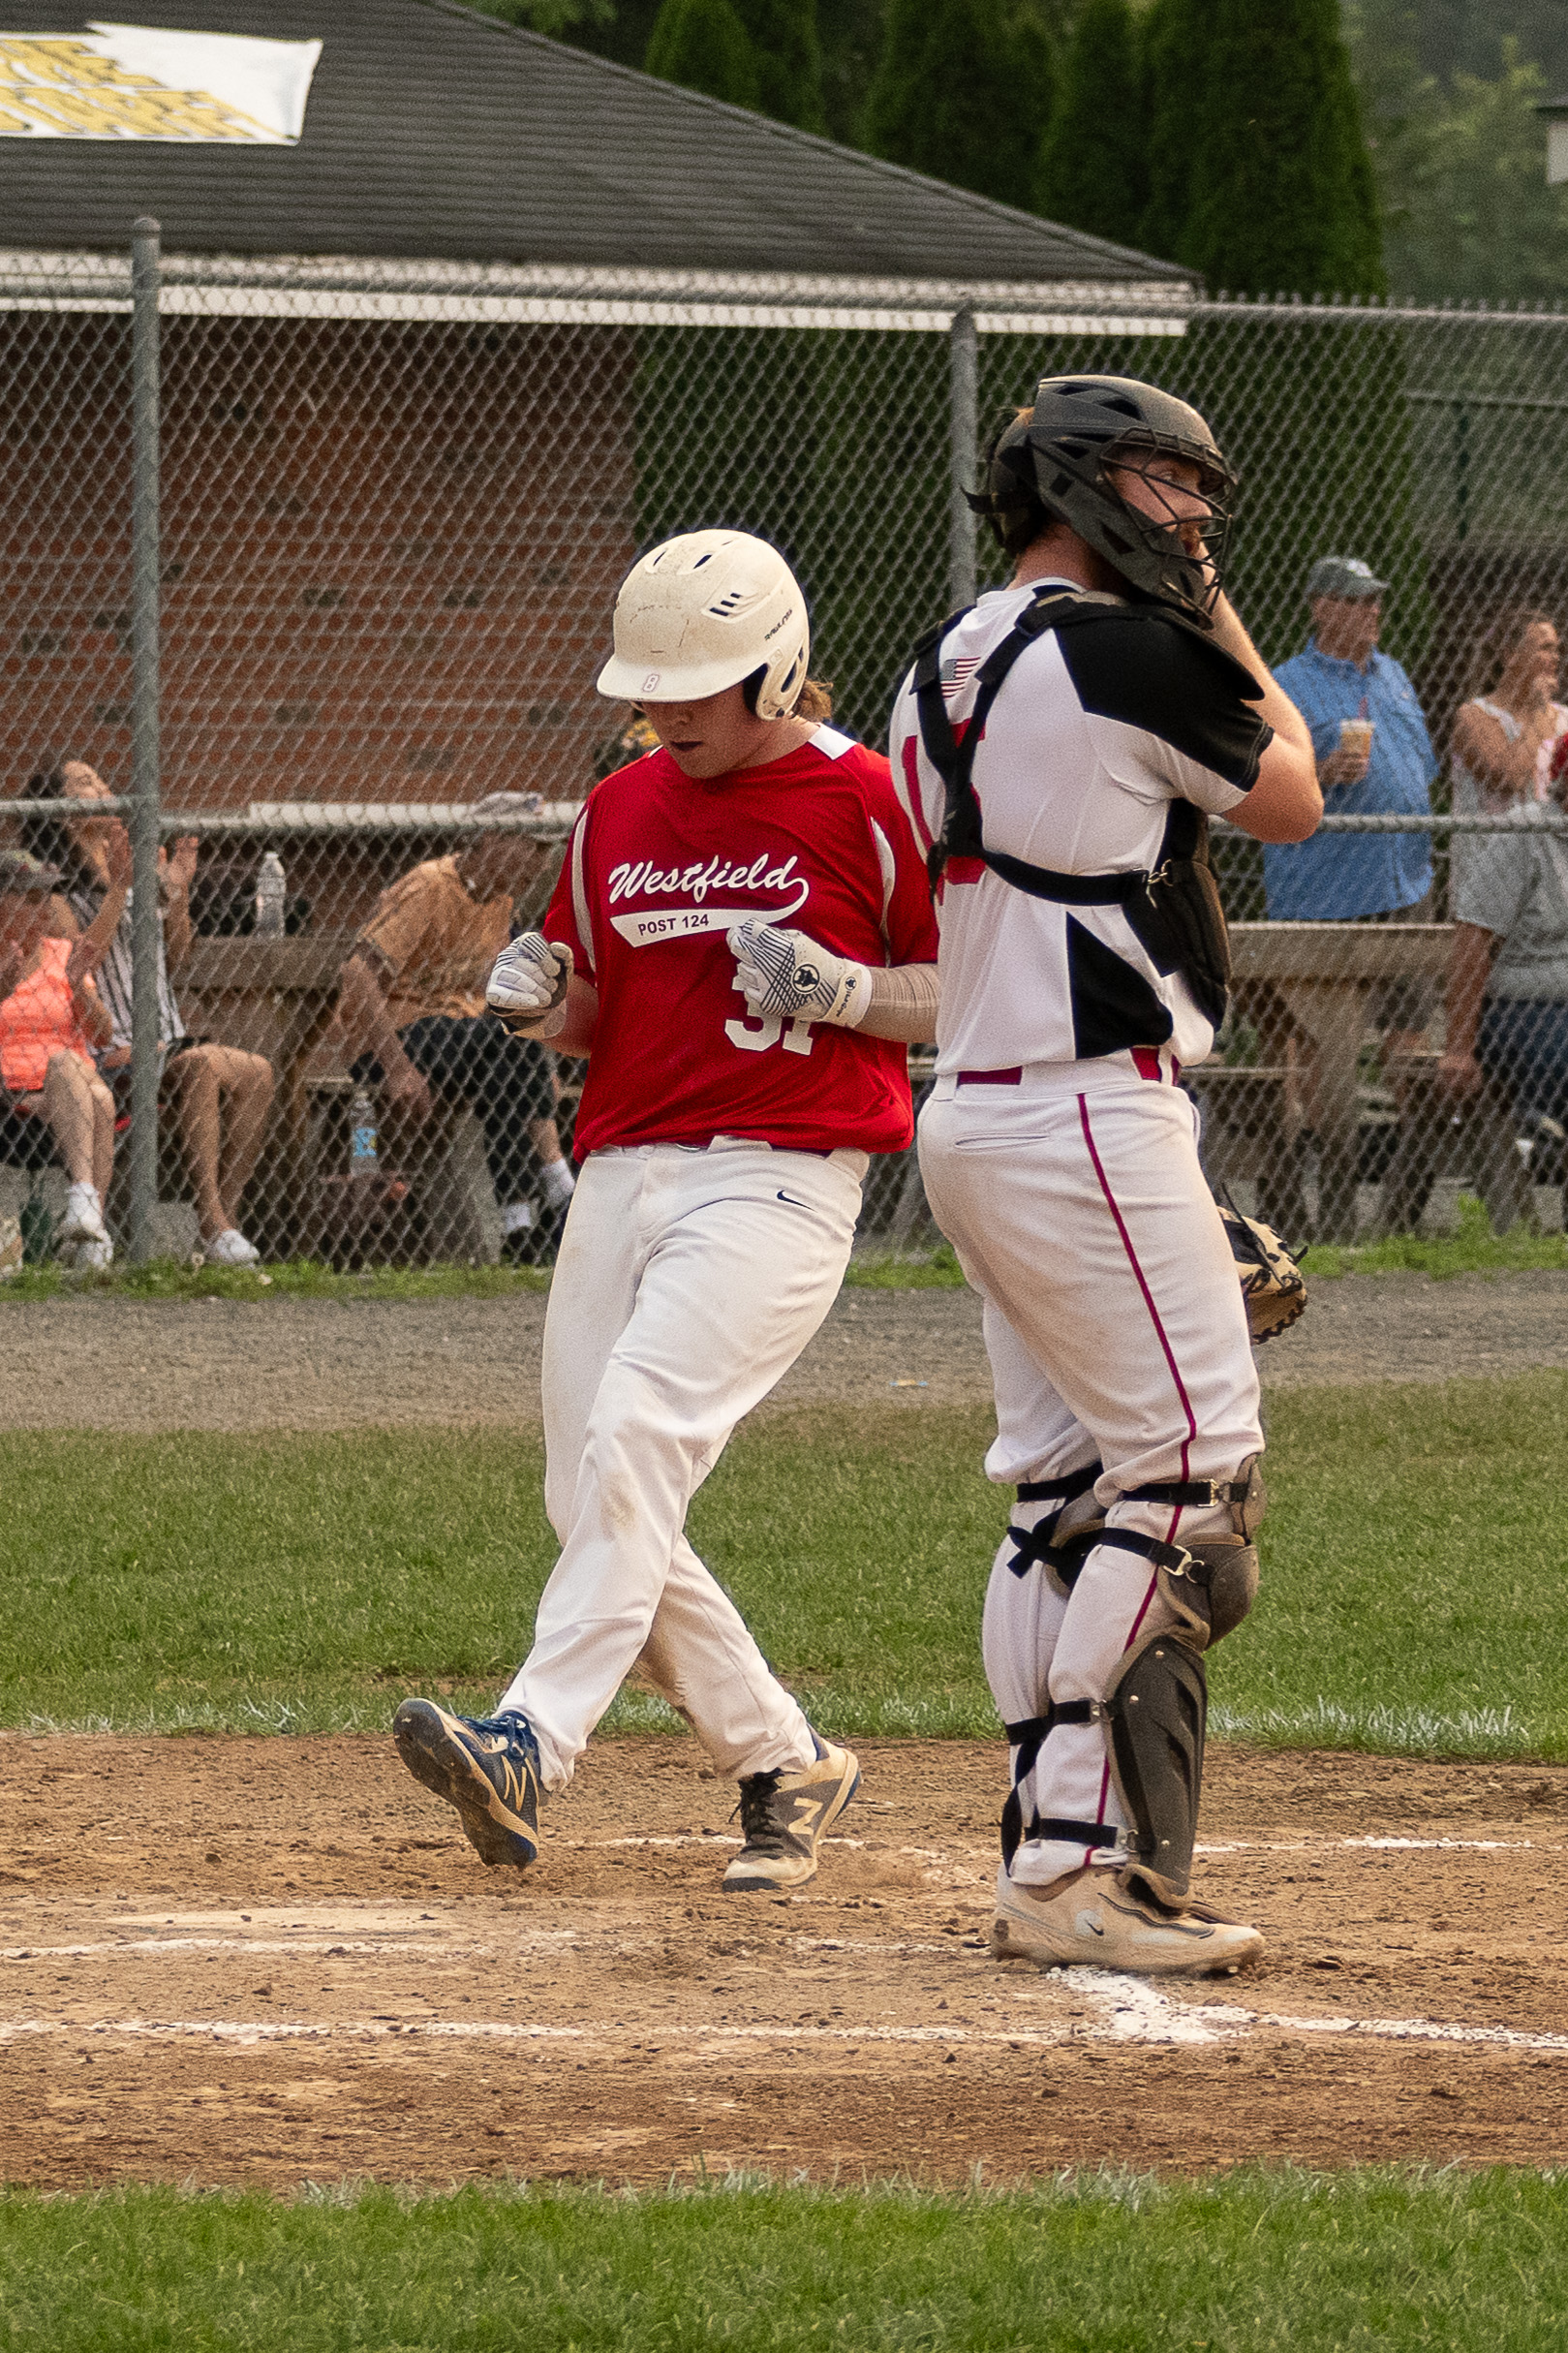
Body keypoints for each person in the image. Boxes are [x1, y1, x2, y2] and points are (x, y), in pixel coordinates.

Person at [391, 529, 940, 1894]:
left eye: (695, 685)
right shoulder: (617, 809)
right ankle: (780, 1757)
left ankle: (528, 1741)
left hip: (781, 1169)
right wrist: (535, 1003)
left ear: (778, 670)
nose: (664, 711)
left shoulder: (865, 797)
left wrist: (847, 992)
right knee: (585, 1484)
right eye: (650, 687)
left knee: (637, 1430)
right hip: (622, 1170)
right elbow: (592, 1014)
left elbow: (966, 988)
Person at [887, 376, 1320, 1976]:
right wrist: (1208, 605)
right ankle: (1069, 1867)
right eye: (1162, 484)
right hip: (1085, 1111)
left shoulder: (935, 658)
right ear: (1083, 482)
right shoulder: (1125, 647)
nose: (1190, 515)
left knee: (1062, 1490)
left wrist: (1182, 582)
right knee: (1189, 1480)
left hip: (975, 1112)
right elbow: (1288, 787)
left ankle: (1041, 1854)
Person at [19, 764, 277, 1266]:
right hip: (107, 1046)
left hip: (166, 1035)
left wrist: (176, 894)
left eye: (98, 780)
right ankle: (212, 1225)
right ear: (62, 814)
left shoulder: (136, 870)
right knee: (201, 1071)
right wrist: (119, 887)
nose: (100, 790)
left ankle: (222, 1219)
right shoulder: (56, 895)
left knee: (259, 1073)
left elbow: (175, 956)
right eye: (82, 786)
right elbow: (79, 960)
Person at [335, 794, 573, 1259]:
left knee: (508, 1077)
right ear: (490, 841)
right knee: (511, 1049)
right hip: (395, 1040)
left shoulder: (502, 901)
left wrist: (535, 1060)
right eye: (532, 845)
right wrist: (399, 1068)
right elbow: (356, 974)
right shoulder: (429, 886)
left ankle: (519, 1230)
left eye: (547, 848)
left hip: (465, 1041)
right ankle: (560, 1184)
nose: (543, 859)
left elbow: (498, 991)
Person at [1265, 555, 1439, 1055]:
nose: (1373, 610)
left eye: (1375, 599)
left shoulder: (1393, 673)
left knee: (1410, 1026)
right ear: (1321, 608)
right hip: (1327, 890)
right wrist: (1320, 773)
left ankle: (1410, 1135)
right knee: (1318, 1037)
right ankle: (1307, 1135)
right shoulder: (1286, 685)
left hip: (1404, 882)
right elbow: (1264, 782)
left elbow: (1422, 766)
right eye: (1357, 601)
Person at [1438, 757, 1568, 1178]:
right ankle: (1542, 1134)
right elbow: (1472, 938)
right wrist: (1458, 1047)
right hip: (1524, 1006)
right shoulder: (1525, 832)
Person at [0, 848, 120, 1265]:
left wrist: (78, 988)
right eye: (32, 897)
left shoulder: (62, 954)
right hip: (10, 1099)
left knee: (71, 1069)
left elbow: (101, 1033)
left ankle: (84, 1217)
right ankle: (91, 1232)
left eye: (48, 896)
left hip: (70, 1090)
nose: (46, 906)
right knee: (95, 1093)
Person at [1451, 607, 1568, 816]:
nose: (1556, 658)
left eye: (1556, 650)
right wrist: (1539, 710)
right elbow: (1509, 777)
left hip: (1549, 846)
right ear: (1510, 655)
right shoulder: (1473, 716)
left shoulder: (1564, 718)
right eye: (1545, 648)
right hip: (1491, 846)